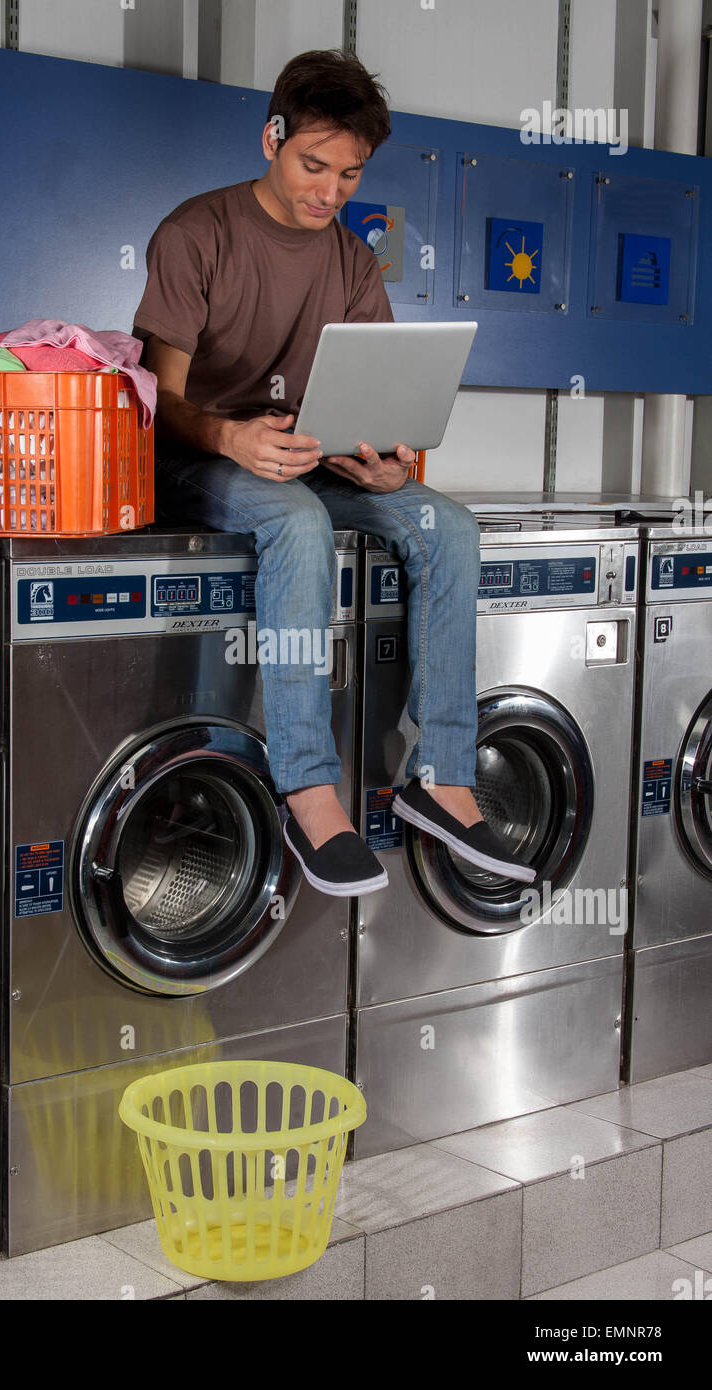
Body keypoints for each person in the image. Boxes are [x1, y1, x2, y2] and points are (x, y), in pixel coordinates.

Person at [132, 48, 534, 897]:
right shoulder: (194, 233)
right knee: (297, 520)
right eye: (314, 165)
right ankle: (310, 787)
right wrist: (232, 438)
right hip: (201, 464)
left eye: (350, 174)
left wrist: (389, 463)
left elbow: (377, 400)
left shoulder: (353, 263)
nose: (330, 192)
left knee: (446, 523)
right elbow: (155, 399)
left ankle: (444, 777)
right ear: (271, 136)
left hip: (316, 460)